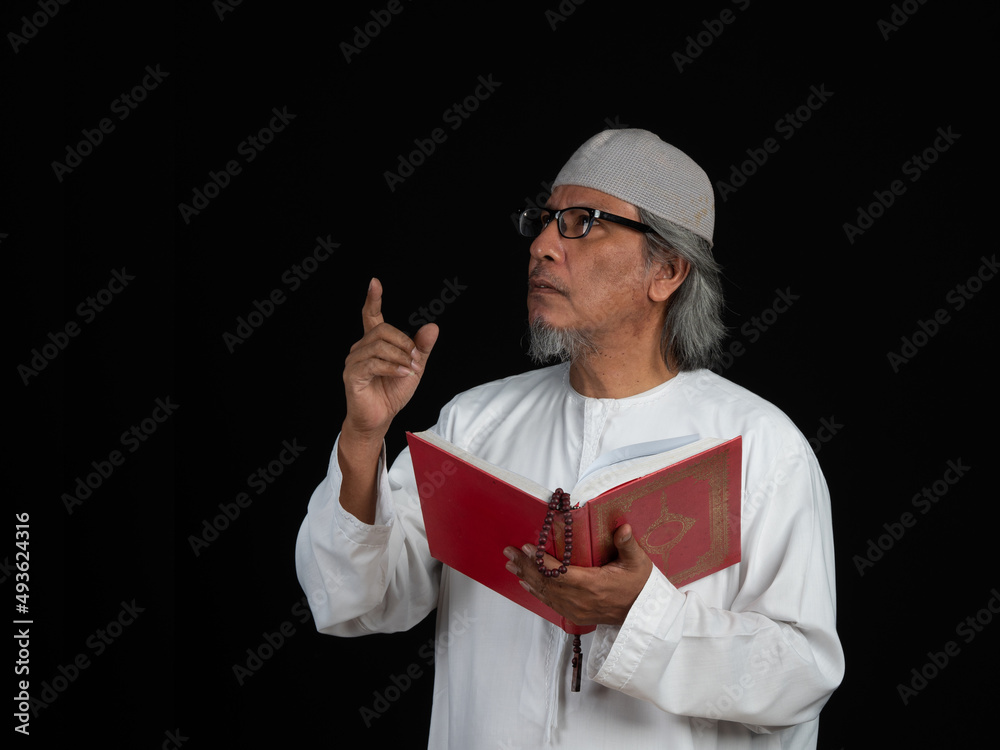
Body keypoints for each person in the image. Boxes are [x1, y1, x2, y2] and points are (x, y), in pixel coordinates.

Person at [295, 128, 844, 748]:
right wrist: (363, 438)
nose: (542, 246)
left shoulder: (759, 448)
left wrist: (640, 614)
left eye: (583, 222)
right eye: (546, 219)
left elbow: (802, 675)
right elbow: (358, 599)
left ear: (665, 270)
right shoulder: (477, 423)